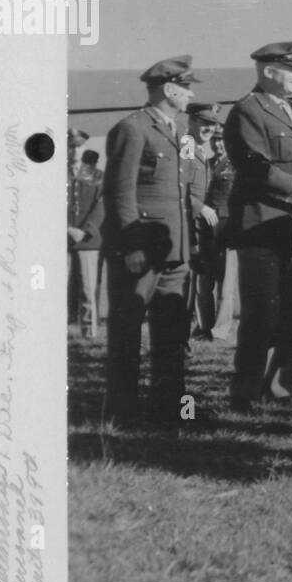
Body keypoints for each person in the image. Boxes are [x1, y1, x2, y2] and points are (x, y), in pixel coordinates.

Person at [222, 41, 292, 409]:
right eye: (291, 68)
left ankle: (280, 390)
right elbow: (257, 168)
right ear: (269, 71)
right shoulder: (248, 111)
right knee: (261, 314)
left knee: (289, 313)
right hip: (261, 228)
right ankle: (247, 392)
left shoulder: (287, 110)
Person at [101, 56, 201, 428]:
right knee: (127, 334)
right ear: (169, 89)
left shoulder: (180, 130)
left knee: (172, 336)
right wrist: (131, 246)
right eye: (187, 87)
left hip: (174, 250)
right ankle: (122, 414)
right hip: (141, 251)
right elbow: (119, 191)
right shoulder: (133, 128)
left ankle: (168, 413)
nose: (191, 94)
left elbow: (182, 191)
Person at [184, 102, 221, 340]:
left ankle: (201, 329)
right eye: (204, 123)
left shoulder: (201, 150)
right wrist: (200, 206)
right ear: (191, 122)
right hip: (189, 226)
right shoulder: (186, 147)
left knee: (201, 282)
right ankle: (180, 336)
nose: (208, 129)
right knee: (187, 284)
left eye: (212, 124)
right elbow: (178, 186)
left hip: (202, 228)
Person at [67, 129, 103, 338]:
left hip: (88, 240)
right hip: (62, 238)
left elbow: (101, 205)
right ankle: (60, 329)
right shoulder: (55, 173)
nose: (74, 151)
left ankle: (89, 331)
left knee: (88, 287)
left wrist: (85, 230)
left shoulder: (97, 175)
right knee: (59, 287)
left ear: (84, 148)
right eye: (71, 146)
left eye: (78, 146)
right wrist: (65, 229)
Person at [206, 126, 239, 340]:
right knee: (210, 277)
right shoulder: (207, 163)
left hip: (227, 225)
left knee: (227, 279)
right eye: (214, 140)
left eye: (221, 140)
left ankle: (222, 327)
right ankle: (205, 324)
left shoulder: (234, 164)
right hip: (207, 226)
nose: (217, 144)